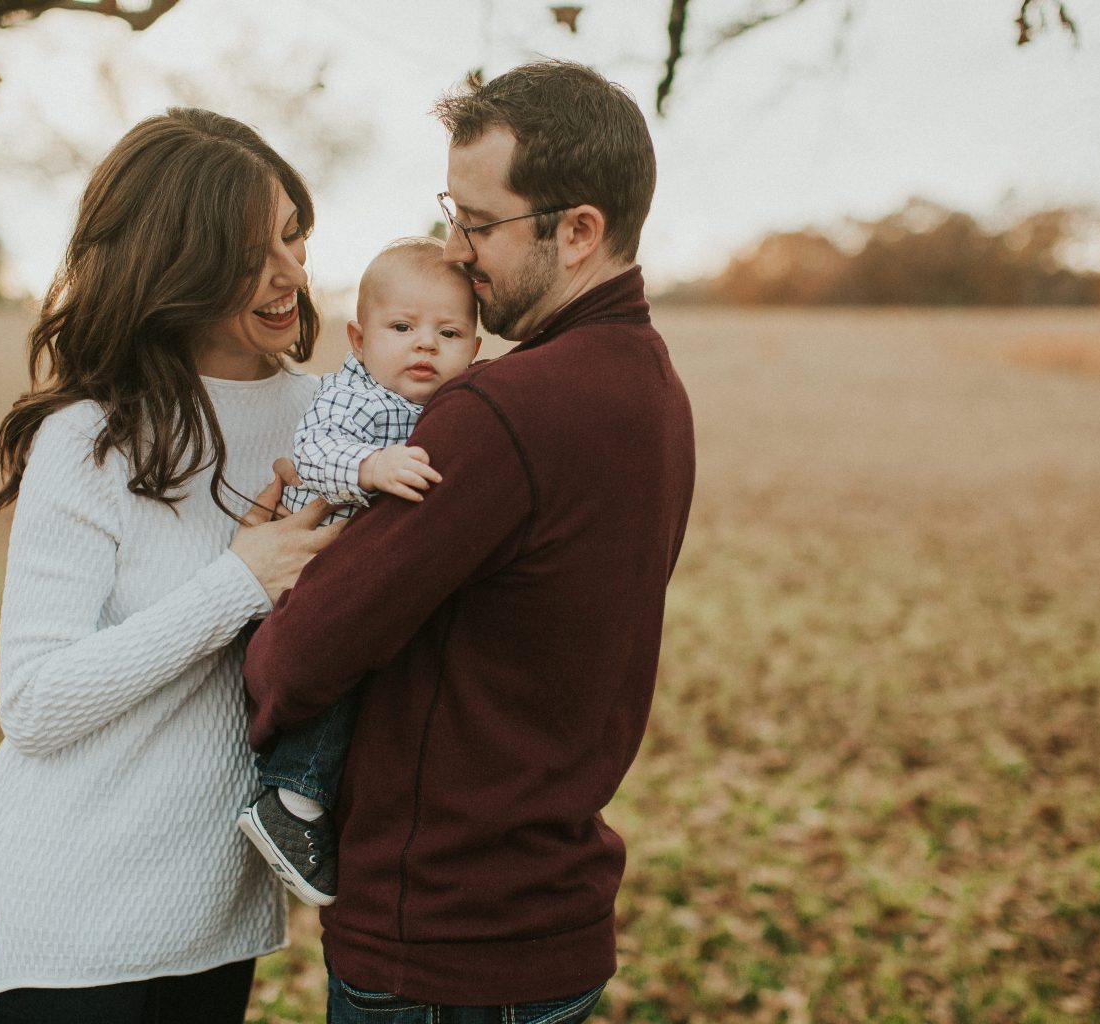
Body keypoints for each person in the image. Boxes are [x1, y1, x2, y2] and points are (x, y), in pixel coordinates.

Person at [243, 60, 697, 1023]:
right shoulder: (654, 386)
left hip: (443, 947)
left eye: (478, 224)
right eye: (450, 214)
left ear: (577, 232)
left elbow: (308, 649)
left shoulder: (501, 412)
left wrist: (265, 609)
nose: (454, 249)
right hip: (551, 923)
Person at [0, 107, 342, 1024]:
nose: (289, 273)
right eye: (249, 255)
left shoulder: (329, 424)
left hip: (212, 923)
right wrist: (236, 584)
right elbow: (33, 703)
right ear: (176, 266)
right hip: (62, 921)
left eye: (293, 235)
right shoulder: (93, 436)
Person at [236, 237, 482, 908]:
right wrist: (370, 466)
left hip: (360, 572)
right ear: (359, 338)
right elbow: (313, 451)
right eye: (402, 328)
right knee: (339, 672)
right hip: (309, 574)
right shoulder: (356, 396)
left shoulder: (448, 404)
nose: (424, 344)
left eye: (448, 333)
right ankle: (291, 801)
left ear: (474, 347)